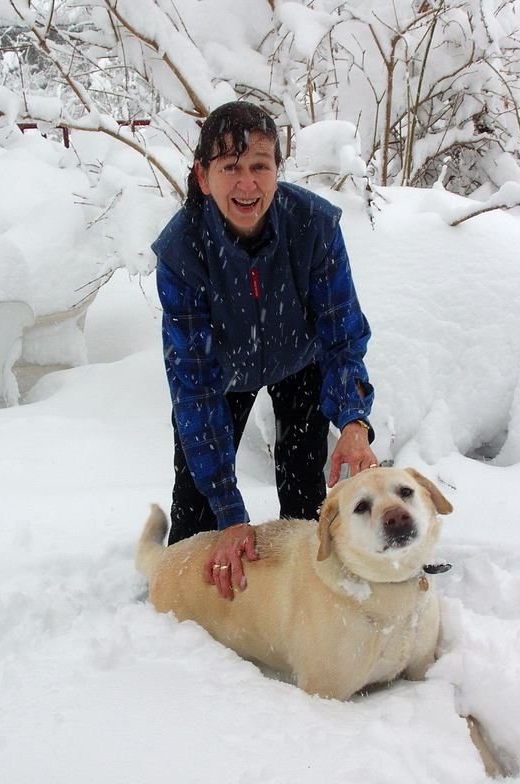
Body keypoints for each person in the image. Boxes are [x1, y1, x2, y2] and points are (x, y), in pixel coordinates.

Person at [152, 101, 378, 600]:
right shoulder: (182, 251)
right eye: (229, 167)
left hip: (299, 362)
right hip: (219, 378)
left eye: (259, 165)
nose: (246, 183)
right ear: (203, 175)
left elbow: (342, 336)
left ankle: (301, 599)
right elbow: (192, 386)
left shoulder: (313, 226)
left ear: (278, 168)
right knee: (197, 510)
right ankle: (174, 606)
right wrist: (232, 515)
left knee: (302, 495)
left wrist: (355, 422)